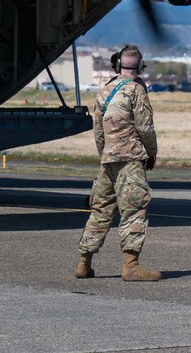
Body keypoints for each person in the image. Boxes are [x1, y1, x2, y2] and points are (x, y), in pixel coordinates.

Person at [75, 44, 161, 281]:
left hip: (108, 160)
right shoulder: (135, 91)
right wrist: (152, 152)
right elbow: (145, 127)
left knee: (101, 210)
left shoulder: (104, 91)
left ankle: (84, 263)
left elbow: (98, 131)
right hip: (130, 159)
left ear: (116, 65)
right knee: (134, 209)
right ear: (140, 67)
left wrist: (105, 154)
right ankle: (131, 266)